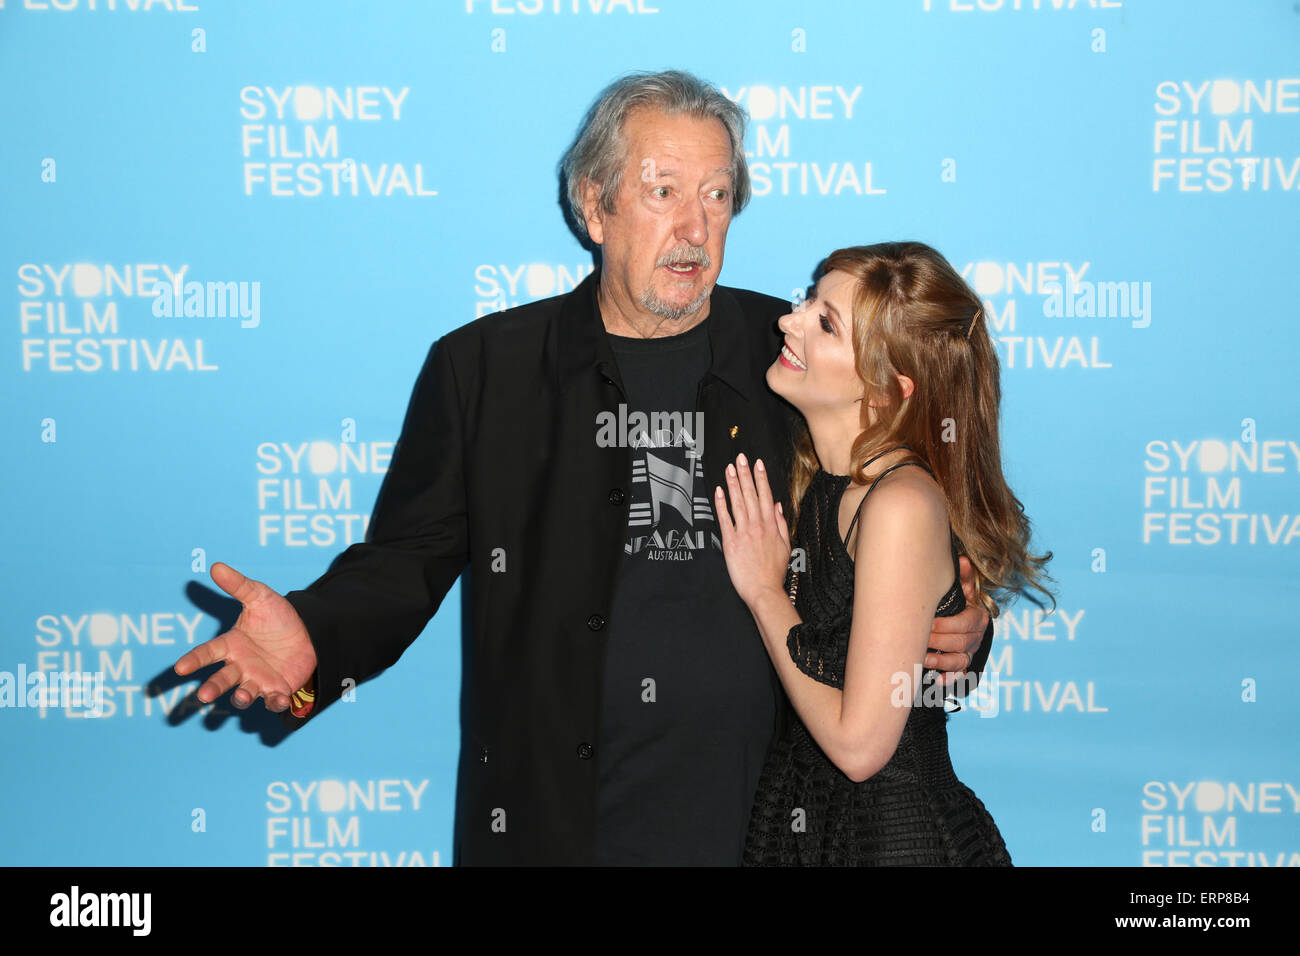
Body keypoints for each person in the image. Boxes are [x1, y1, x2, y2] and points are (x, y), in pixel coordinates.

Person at [173, 72, 994, 866]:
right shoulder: (484, 372)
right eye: (663, 191)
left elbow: (894, 535)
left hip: (763, 828)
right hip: (550, 827)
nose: (697, 227)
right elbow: (401, 567)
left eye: (717, 194)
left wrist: (962, 623)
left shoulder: (792, 361)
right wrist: (313, 641)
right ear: (595, 206)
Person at [717, 242, 1052, 865]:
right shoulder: (824, 483)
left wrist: (765, 592)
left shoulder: (899, 505)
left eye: (825, 323)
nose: (787, 321)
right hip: (805, 827)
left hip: (895, 839)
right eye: (809, 301)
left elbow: (860, 747)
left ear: (887, 386)